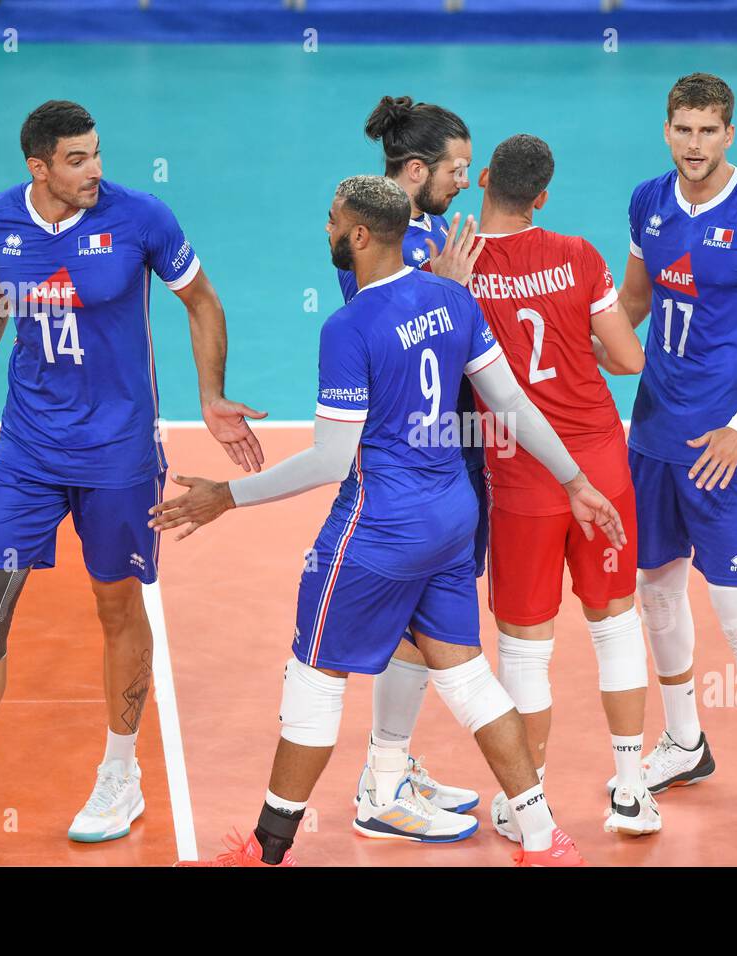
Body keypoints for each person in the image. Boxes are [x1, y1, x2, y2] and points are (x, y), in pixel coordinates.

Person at [158, 176, 626, 866]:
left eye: (330, 221)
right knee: (465, 676)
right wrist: (575, 480)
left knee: (315, 678)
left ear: (359, 235)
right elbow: (511, 404)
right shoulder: (450, 298)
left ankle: (265, 850)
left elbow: (331, 461)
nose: (324, 230)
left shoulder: (348, 327)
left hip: (377, 530)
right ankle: (543, 839)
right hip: (451, 520)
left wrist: (227, 495)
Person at [0, 100, 265, 866]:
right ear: (39, 167)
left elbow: (201, 299)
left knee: (115, 605)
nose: (94, 169)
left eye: (96, 153)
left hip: (118, 454)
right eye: (76, 159)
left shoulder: (141, 218)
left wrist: (211, 393)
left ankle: (119, 776)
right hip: (27, 449)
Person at [430, 134, 657, 838]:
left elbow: (436, 367)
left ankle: (530, 800)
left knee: (527, 648)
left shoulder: (459, 265)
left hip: (522, 475)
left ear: (487, 179)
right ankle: (630, 789)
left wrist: (447, 288)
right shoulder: (580, 255)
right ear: (543, 197)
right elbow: (627, 358)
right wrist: (569, 346)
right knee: (615, 626)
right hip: (601, 463)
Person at [615, 73, 737, 841]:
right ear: (667, 130)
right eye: (682, 129)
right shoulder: (647, 202)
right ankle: (686, 741)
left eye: (708, 131)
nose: (694, 144)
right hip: (653, 437)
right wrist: (580, 355)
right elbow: (633, 303)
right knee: (655, 593)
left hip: (724, 447)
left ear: (731, 135)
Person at [335, 96, 484, 832]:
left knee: (416, 621)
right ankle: (383, 785)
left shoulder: (424, 233)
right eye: (457, 170)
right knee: (410, 624)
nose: (468, 182)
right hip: (402, 467)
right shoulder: (395, 246)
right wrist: (454, 292)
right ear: (417, 170)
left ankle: (388, 769)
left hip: (438, 460)